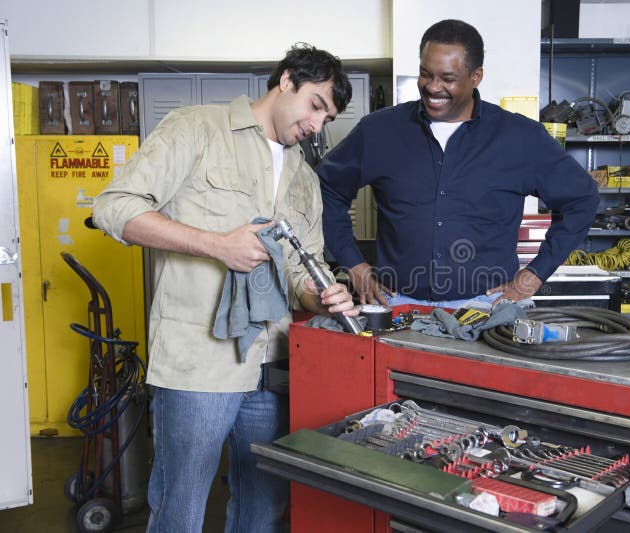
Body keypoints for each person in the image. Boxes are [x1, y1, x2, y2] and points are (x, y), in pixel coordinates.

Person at [92, 44, 357, 533]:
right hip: (199, 364)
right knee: (181, 510)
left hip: (271, 365)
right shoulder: (197, 128)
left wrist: (319, 295)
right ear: (286, 81)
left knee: (262, 510)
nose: (318, 126)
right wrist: (216, 245)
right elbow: (115, 208)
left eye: (329, 117)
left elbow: (304, 267)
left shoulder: (304, 179)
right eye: (315, 106)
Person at [317, 19, 599, 309]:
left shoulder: (520, 138)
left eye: (447, 78)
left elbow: (582, 198)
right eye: (425, 74)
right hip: (396, 304)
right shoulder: (379, 131)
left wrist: (534, 275)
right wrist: (354, 264)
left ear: (475, 76)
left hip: (485, 309)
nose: (432, 87)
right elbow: (326, 188)